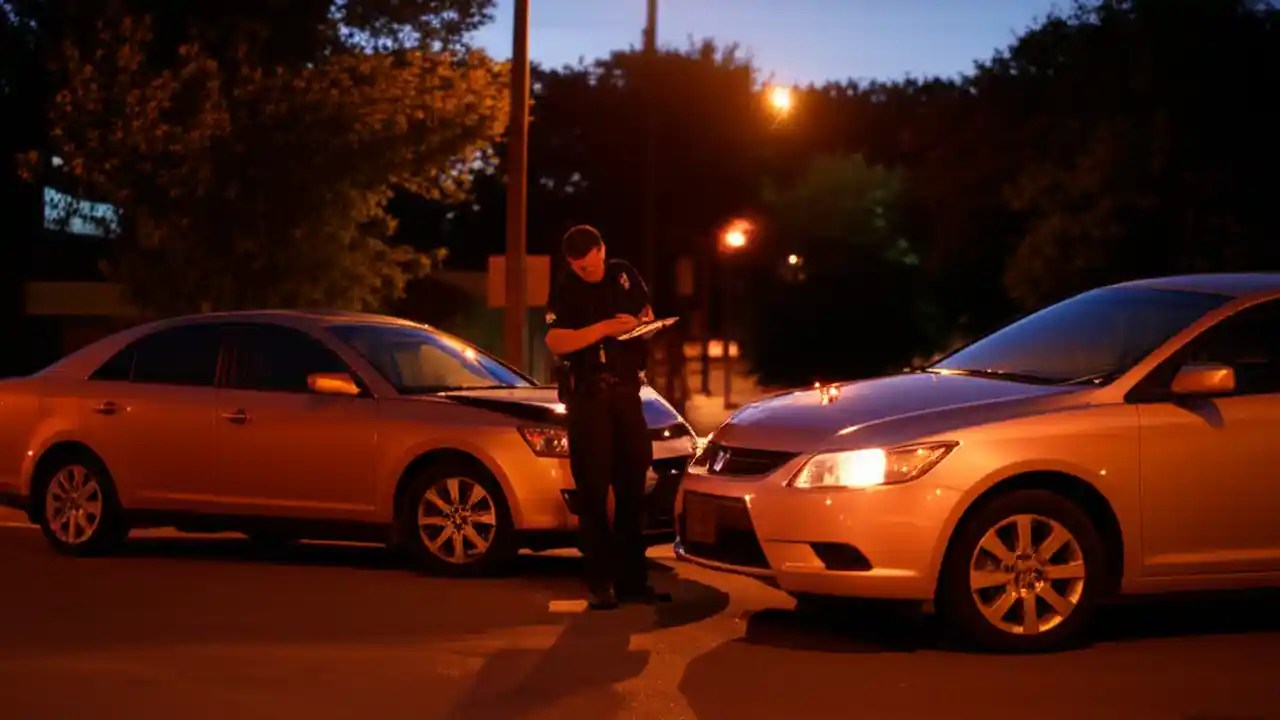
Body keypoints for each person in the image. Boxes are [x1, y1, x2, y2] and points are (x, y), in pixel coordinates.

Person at [544, 225, 671, 610]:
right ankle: (600, 582)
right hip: (589, 396)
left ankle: (633, 580)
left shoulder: (623, 273)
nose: (587, 271)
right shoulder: (566, 286)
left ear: (603, 250)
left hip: (627, 392)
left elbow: (643, 313)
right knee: (594, 492)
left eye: (591, 263)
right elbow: (556, 340)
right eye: (579, 267)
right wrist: (603, 330)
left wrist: (644, 326)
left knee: (634, 486)